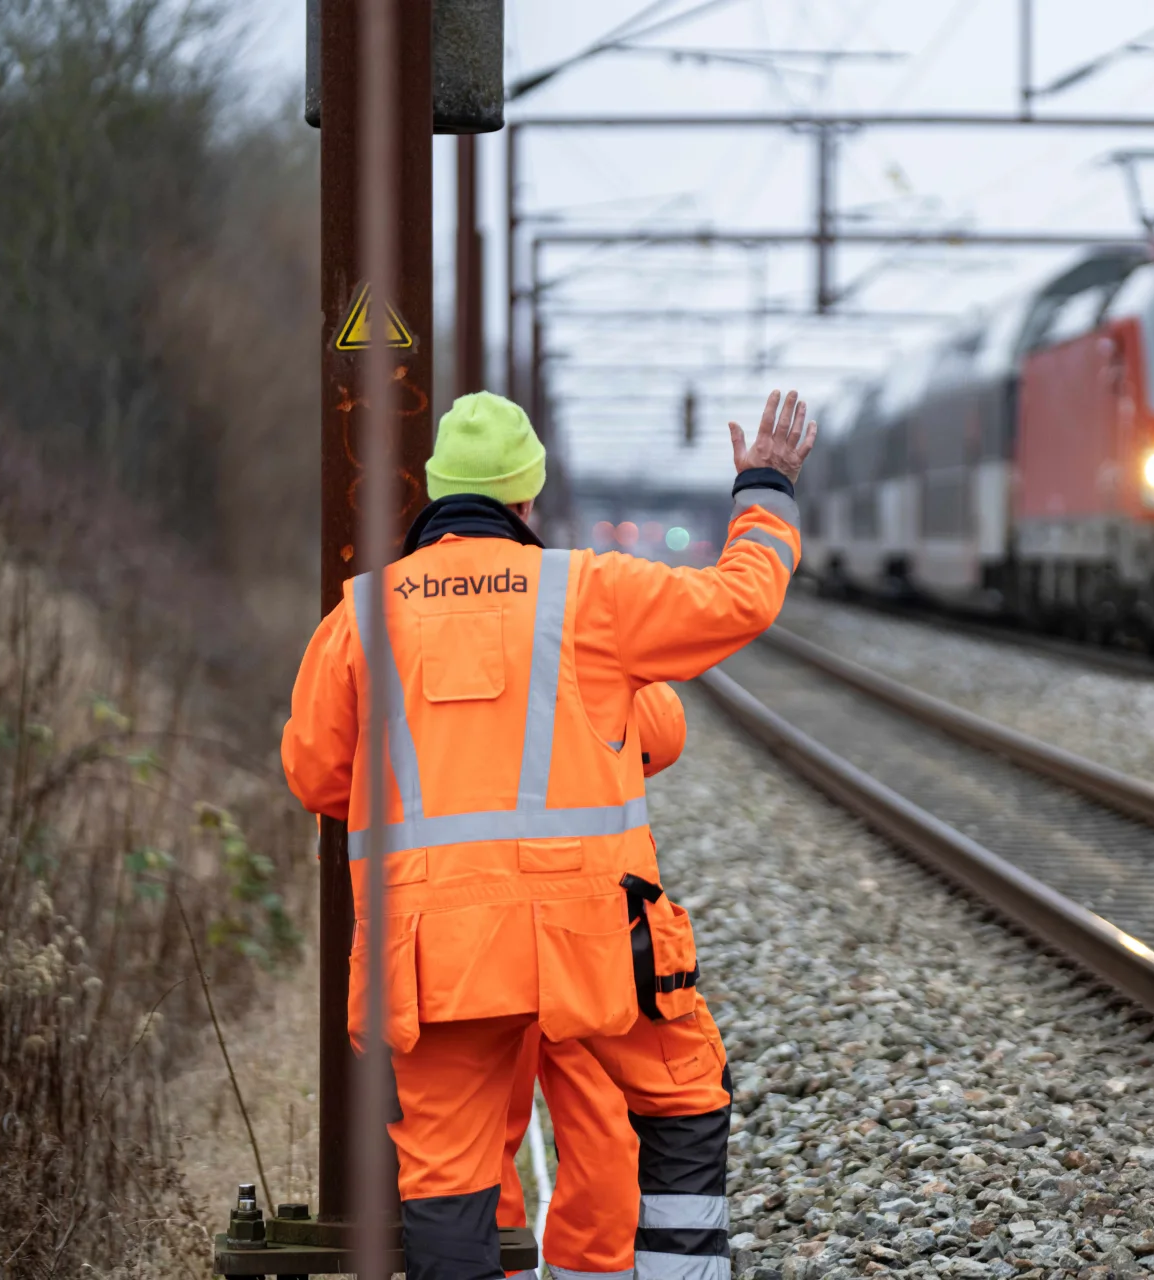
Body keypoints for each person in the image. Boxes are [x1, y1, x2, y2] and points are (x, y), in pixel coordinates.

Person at [282, 388, 815, 1280]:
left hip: (433, 956)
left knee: (446, 1175)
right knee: (682, 1092)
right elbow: (738, 603)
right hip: (591, 944)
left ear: (437, 496)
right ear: (526, 500)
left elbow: (316, 776)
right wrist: (765, 489)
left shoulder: (361, 618)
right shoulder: (587, 591)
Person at [499, 682, 688, 1280]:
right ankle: (595, 1269)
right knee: (600, 1115)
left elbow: (319, 770)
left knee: (471, 1126)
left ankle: (500, 1269)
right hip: (585, 921)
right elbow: (661, 735)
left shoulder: (408, 604)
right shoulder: (581, 603)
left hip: (464, 922)